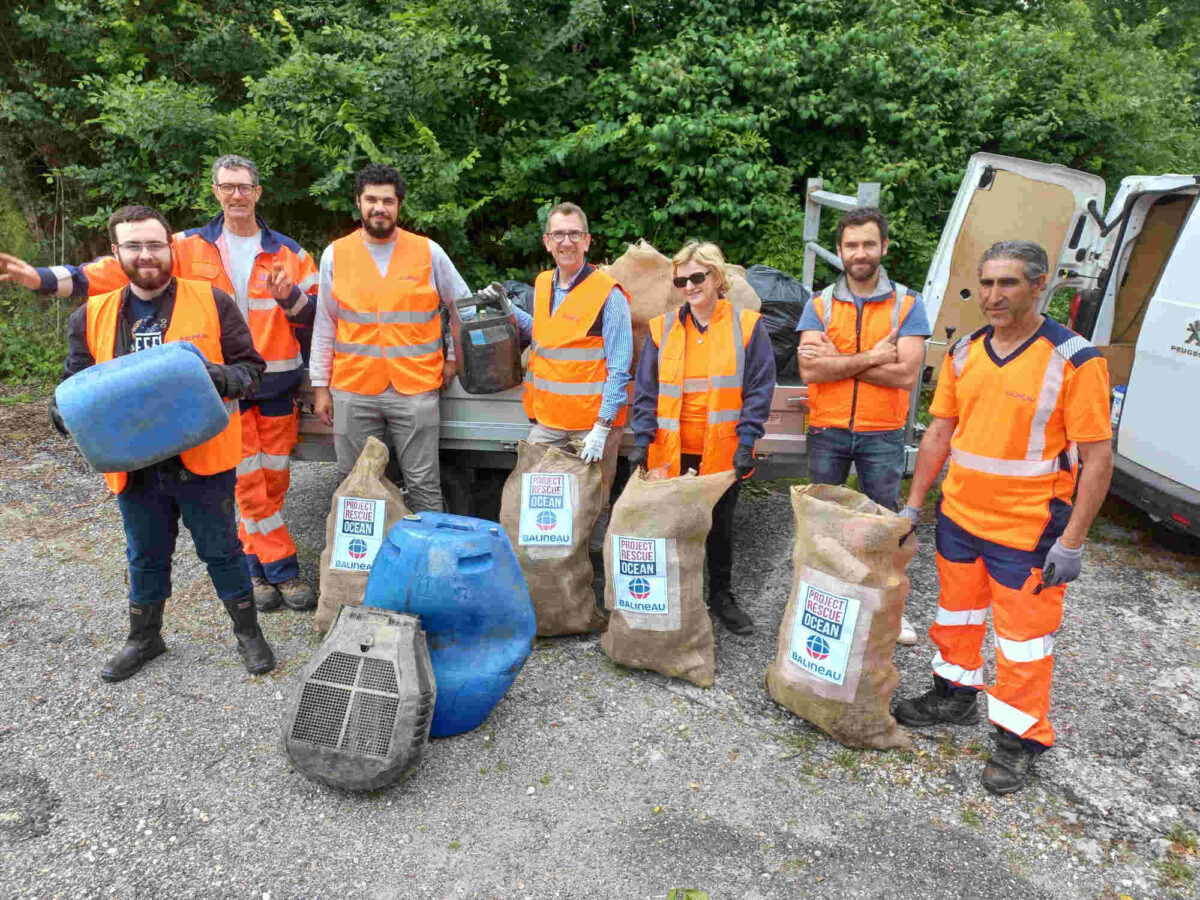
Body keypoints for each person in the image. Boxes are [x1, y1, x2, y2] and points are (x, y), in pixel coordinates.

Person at [0, 154, 320, 615]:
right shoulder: (185, 246)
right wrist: (43, 280)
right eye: (227, 186)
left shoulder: (291, 253)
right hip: (217, 387)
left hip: (271, 383)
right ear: (215, 191)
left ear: (258, 192)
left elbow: (314, 318)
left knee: (273, 480)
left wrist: (290, 300)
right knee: (249, 482)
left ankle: (255, 562)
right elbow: (112, 271)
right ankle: (280, 568)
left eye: (244, 186)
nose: (236, 195)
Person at [892, 241, 1113, 795]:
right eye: (987, 283)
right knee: (956, 617)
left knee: (1023, 644)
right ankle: (954, 696)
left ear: (1039, 286)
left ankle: (1019, 740)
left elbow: (1097, 458)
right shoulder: (964, 352)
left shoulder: (1075, 359)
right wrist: (914, 504)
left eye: (1008, 283)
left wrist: (1073, 541)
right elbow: (940, 431)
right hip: (960, 518)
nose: (993, 295)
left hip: (1028, 530)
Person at [49, 205, 275, 681]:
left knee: (222, 550)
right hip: (133, 463)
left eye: (155, 244)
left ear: (170, 248)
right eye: (133, 246)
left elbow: (252, 370)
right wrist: (61, 412)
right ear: (116, 252)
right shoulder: (89, 316)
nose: (146, 255)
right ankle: (144, 638)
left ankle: (248, 633)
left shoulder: (213, 301)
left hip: (203, 458)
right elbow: (74, 386)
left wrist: (220, 378)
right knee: (145, 555)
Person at [795, 205, 932, 645]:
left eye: (868, 244)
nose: (860, 253)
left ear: (884, 247)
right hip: (828, 429)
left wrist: (839, 361)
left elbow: (906, 374)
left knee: (883, 525)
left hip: (882, 432)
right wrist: (872, 357)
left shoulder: (907, 304)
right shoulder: (819, 303)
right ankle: (819, 602)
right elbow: (810, 371)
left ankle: (888, 612)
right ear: (839, 250)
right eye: (851, 245)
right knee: (823, 522)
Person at [628, 241, 776, 634]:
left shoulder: (747, 326)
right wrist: (641, 440)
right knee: (673, 529)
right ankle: (679, 597)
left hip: (723, 451)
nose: (690, 286)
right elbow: (646, 391)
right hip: (670, 452)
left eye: (698, 276)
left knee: (719, 528)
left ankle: (722, 597)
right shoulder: (662, 328)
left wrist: (747, 442)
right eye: (682, 280)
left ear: (717, 276)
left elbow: (759, 390)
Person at [309, 163, 471, 512]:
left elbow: (462, 306)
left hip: (415, 389)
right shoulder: (335, 255)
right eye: (371, 199)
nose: (379, 208)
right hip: (353, 388)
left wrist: (453, 358)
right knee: (354, 484)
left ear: (399, 206)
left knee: (423, 485)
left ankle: (425, 547)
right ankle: (360, 550)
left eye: (387, 201)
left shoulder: (428, 252)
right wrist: (320, 387)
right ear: (358, 202)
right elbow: (325, 323)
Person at [507, 202, 634, 560]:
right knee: (539, 506)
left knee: (588, 508)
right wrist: (507, 308)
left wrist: (602, 427)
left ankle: (586, 575)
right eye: (559, 234)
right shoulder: (543, 284)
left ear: (587, 241)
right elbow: (546, 334)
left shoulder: (609, 294)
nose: (567, 242)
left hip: (589, 429)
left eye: (574, 234)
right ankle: (547, 575)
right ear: (547, 242)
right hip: (547, 422)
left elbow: (620, 367)